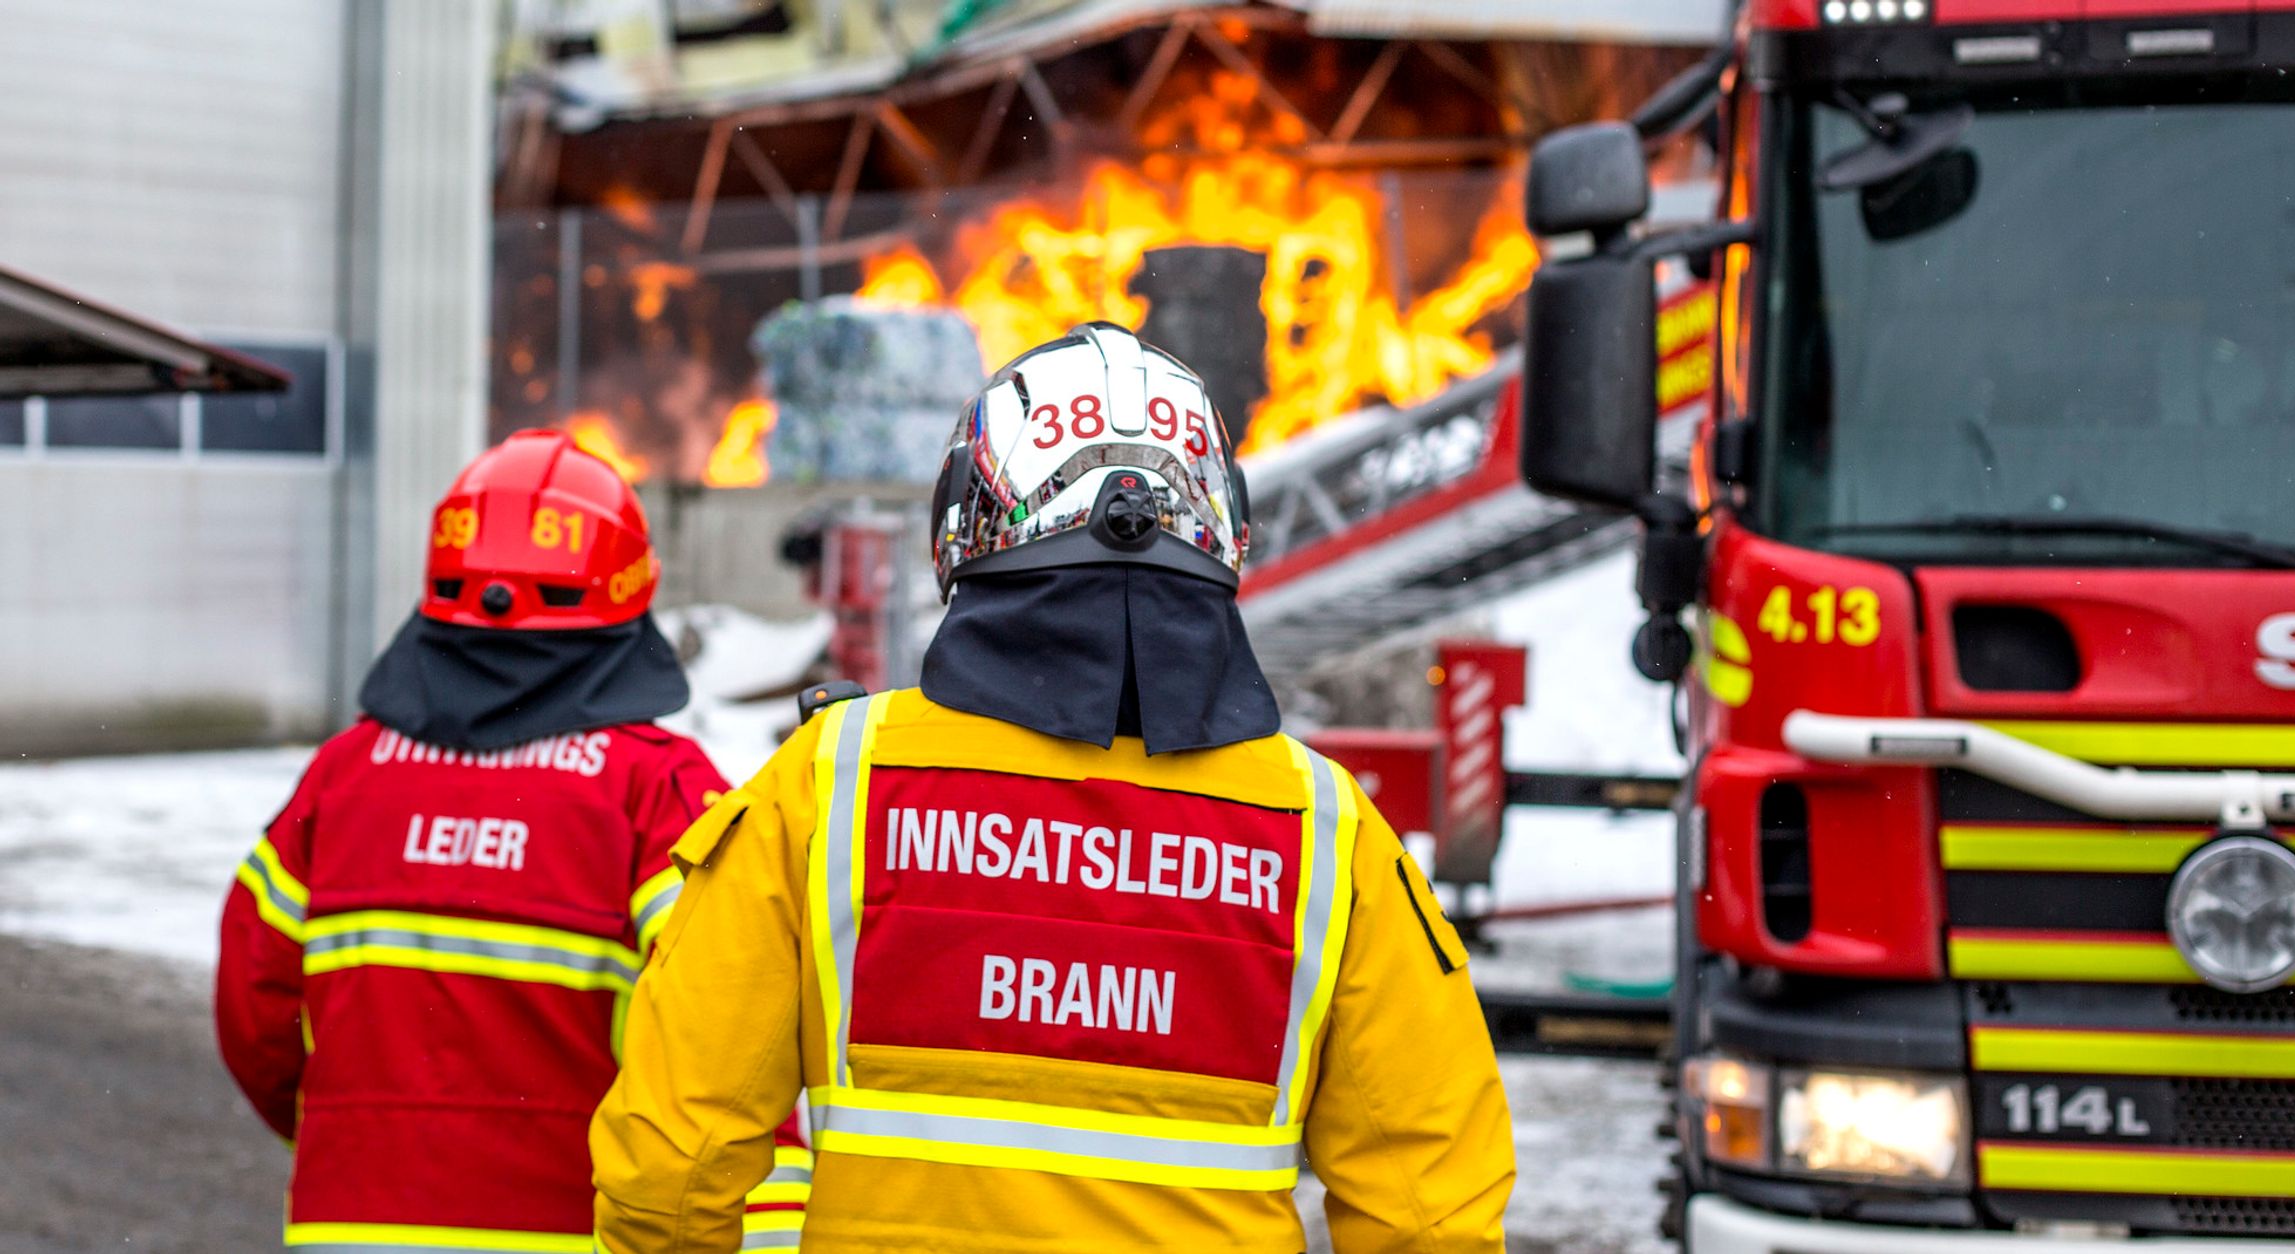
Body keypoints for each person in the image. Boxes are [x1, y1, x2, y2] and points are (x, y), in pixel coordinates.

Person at [591, 323, 1515, 1252]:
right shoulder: (1325, 832)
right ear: (1221, 527)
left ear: (968, 517)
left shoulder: (832, 784)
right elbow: (1431, 1216)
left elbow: (672, 1165)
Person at [214, 429, 812, 1252]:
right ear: (630, 592)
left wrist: (354, 1138)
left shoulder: (342, 776)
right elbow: (732, 1038)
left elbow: (255, 1009)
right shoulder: (656, 791)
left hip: (349, 1222)